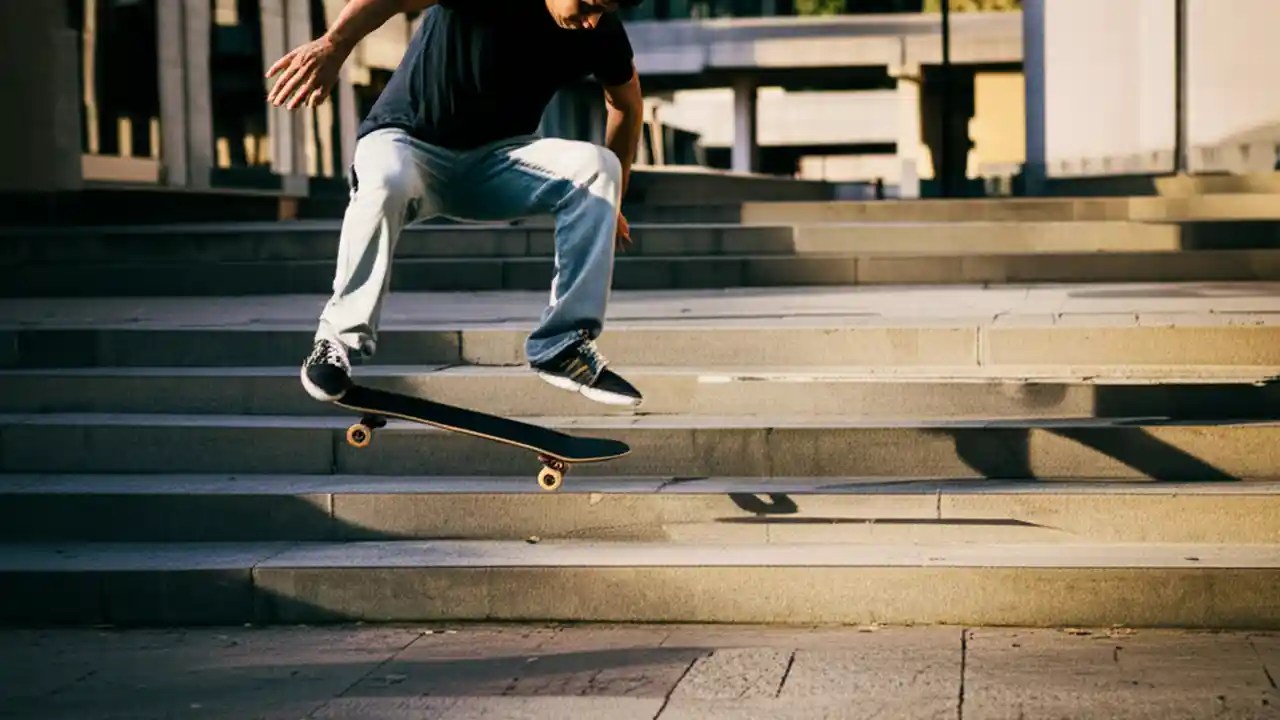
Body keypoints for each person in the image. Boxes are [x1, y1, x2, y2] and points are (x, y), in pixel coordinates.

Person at [266, 0, 645, 407]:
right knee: (387, 178)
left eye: (602, 10)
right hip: (408, 145)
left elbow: (625, 102)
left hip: (497, 162)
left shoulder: (600, 31)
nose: (591, 21)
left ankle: (563, 345)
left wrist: (611, 200)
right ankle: (335, 342)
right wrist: (334, 45)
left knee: (598, 167)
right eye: (587, 4)